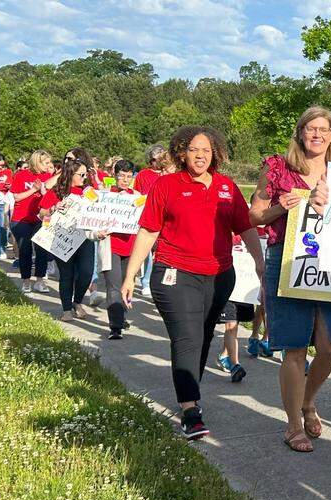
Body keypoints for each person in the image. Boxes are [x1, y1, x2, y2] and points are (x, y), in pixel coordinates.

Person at [120, 127, 265, 441]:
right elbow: (148, 231)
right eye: (195, 150)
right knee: (187, 338)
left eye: (207, 150)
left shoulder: (227, 187)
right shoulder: (167, 185)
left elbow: (246, 227)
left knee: (200, 338)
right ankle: (190, 410)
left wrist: (260, 264)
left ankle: (190, 392)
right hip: (175, 274)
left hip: (220, 276)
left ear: (215, 154)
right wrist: (130, 275)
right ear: (181, 153)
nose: (201, 156)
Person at [249, 105, 331, 452]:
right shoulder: (278, 167)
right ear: (300, 133)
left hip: (327, 262)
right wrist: (281, 206)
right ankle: (293, 424)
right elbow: (255, 214)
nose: (317, 135)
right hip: (287, 259)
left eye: (324, 129)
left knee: (329, 346)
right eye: (311, 129)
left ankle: (308, 400)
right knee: (294, 347)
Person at [38, 159, 98, 321]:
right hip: (62, 239)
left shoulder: (88, 190)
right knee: (66, 275)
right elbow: (42, 213)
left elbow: (100, 207)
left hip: (85, 238)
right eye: (81, 174)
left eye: (86, 174)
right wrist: (54, 208)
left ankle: (77, 302)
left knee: (86, 272)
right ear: (71, 174)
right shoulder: (57, 191)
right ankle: (66, 309)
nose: (84, 177)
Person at [100, 159, 138, 340]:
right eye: (121, 176)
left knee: (127, 285)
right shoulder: (104, 195)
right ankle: (115, 327)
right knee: (114, 287)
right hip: (111, 247)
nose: (125, 180)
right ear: (114, 176)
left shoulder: (137, 197)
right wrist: (97, 233)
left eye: (129, 176)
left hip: (132, 248)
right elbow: (91, 222)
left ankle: (121, 317)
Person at [9, 150, 54, 294]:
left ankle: (40, 280)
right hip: (21, 219)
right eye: (46, 163)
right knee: (26, 248)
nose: (49, 165)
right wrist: (33, 189)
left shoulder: (48, 176)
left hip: (40, 218)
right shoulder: (22, 175)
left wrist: (43, 192)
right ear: (37, 162)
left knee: (42, 249)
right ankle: (26, 281)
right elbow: (16, 197)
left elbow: (51, 196)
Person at [135, 144, 171, 298]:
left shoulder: (169, 175)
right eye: (155, 160)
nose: (158, 163)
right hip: (147, 214)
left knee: (159, 251)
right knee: (148, 250)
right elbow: (136, 193)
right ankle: (146, 281)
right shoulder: (143, 174)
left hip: (165, 217)